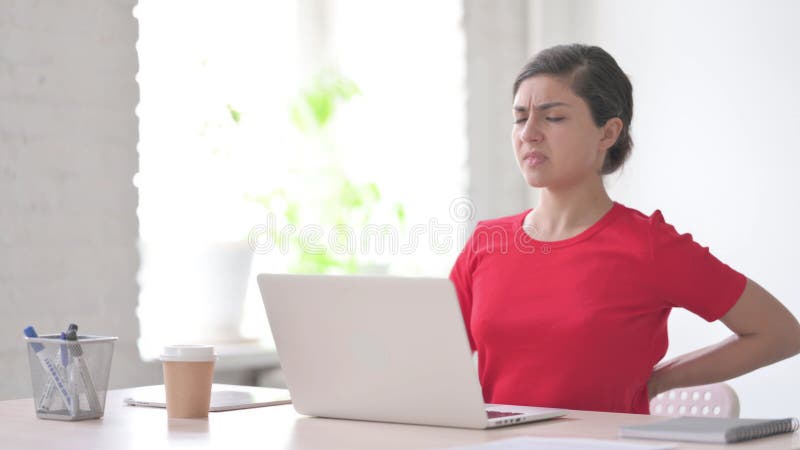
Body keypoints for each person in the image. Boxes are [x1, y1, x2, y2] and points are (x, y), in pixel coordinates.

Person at [449, 43, 800, 414]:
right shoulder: (488, 242)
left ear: (607, 133)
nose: (529, 133)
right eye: (520, 118)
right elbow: (431, 356)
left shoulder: (649, 246)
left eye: (553, 118)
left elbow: (779, 333)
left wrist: (659, 380)